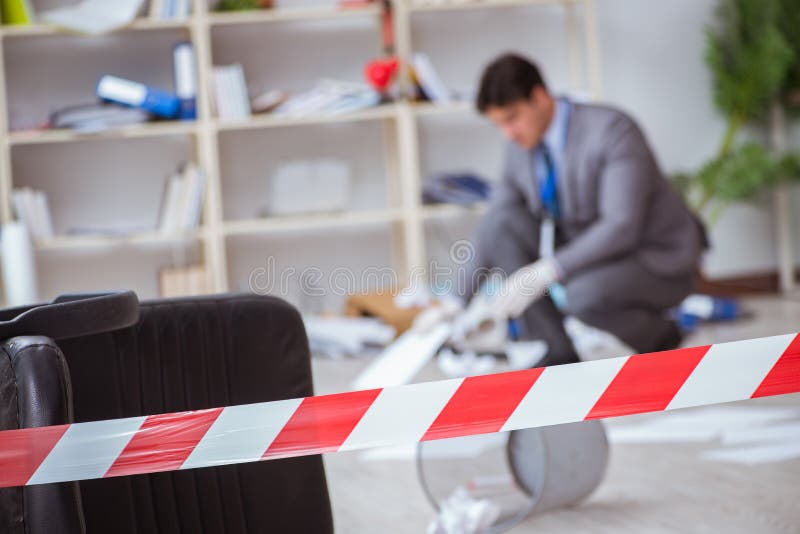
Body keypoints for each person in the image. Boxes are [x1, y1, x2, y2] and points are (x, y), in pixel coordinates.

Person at [449, 53, 707, 366]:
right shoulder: (520, 146)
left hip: (653, 257)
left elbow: (621, 226)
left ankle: (662, 336)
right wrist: (454, 300)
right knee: (502, 224)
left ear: (540, 97)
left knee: (583, 296)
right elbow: (496, 216)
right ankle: (556, 354)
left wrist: (548, 270)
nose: (509, 133)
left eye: (512, 117)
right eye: (499, 124)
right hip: (587, 254)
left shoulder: (613, 130)